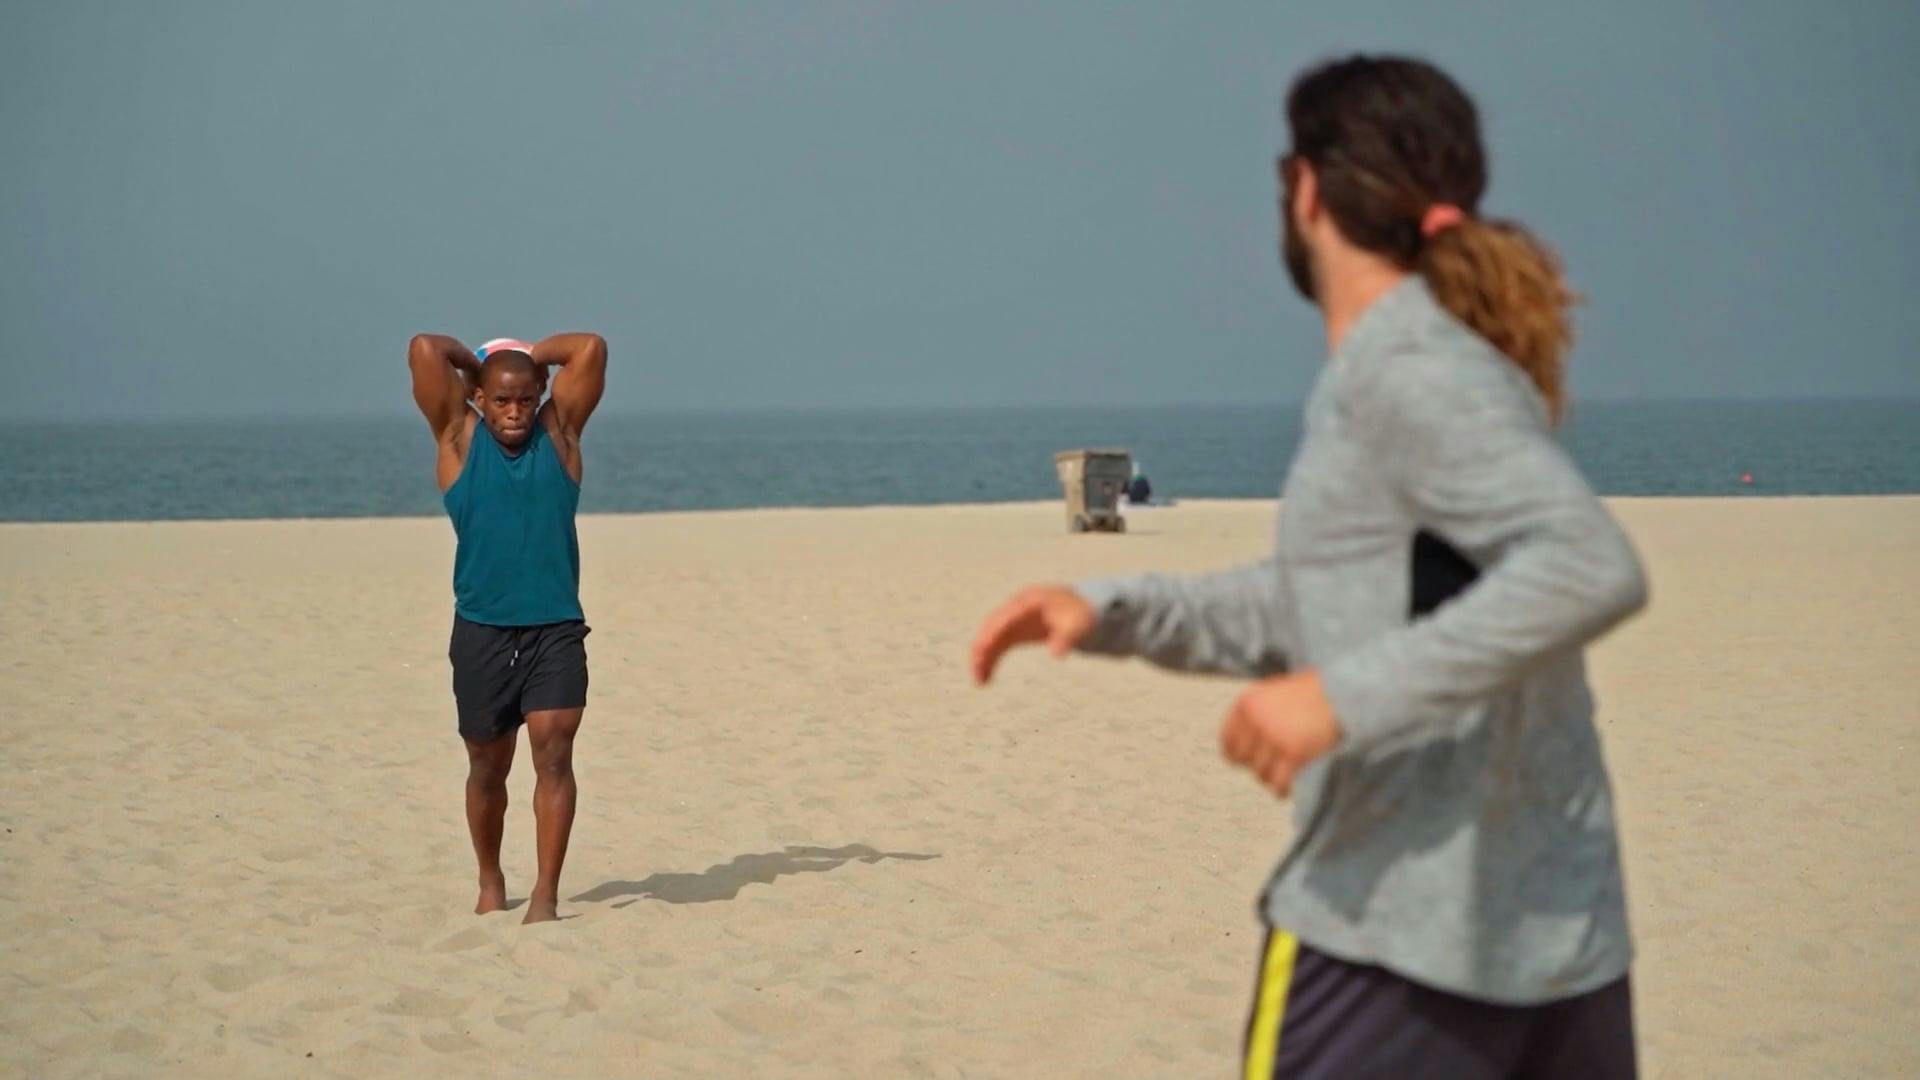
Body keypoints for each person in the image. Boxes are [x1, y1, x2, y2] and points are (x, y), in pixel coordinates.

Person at [970, 55, 1649, 1078]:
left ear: (1307, 191)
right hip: (1562, 948)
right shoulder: (1445, 366)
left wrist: (1342, 698)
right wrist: (1107, 610)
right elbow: (1334, 603)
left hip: (1393, 950)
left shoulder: (1405, 372)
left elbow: (1587, 563)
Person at [407, 331, 608, 925]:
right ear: (481, 400)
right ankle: (491, 877)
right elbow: (423, 348)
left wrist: (526, 359)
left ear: (540, 394)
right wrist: (480, 366)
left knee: (554, 749)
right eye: (501, 400)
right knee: (488, 766)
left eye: (525, 399)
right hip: (482, 630)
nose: (515, 412)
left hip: (554, 628)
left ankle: (545, 895)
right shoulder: (458, 439)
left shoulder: (559, 436)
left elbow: (590, 348)